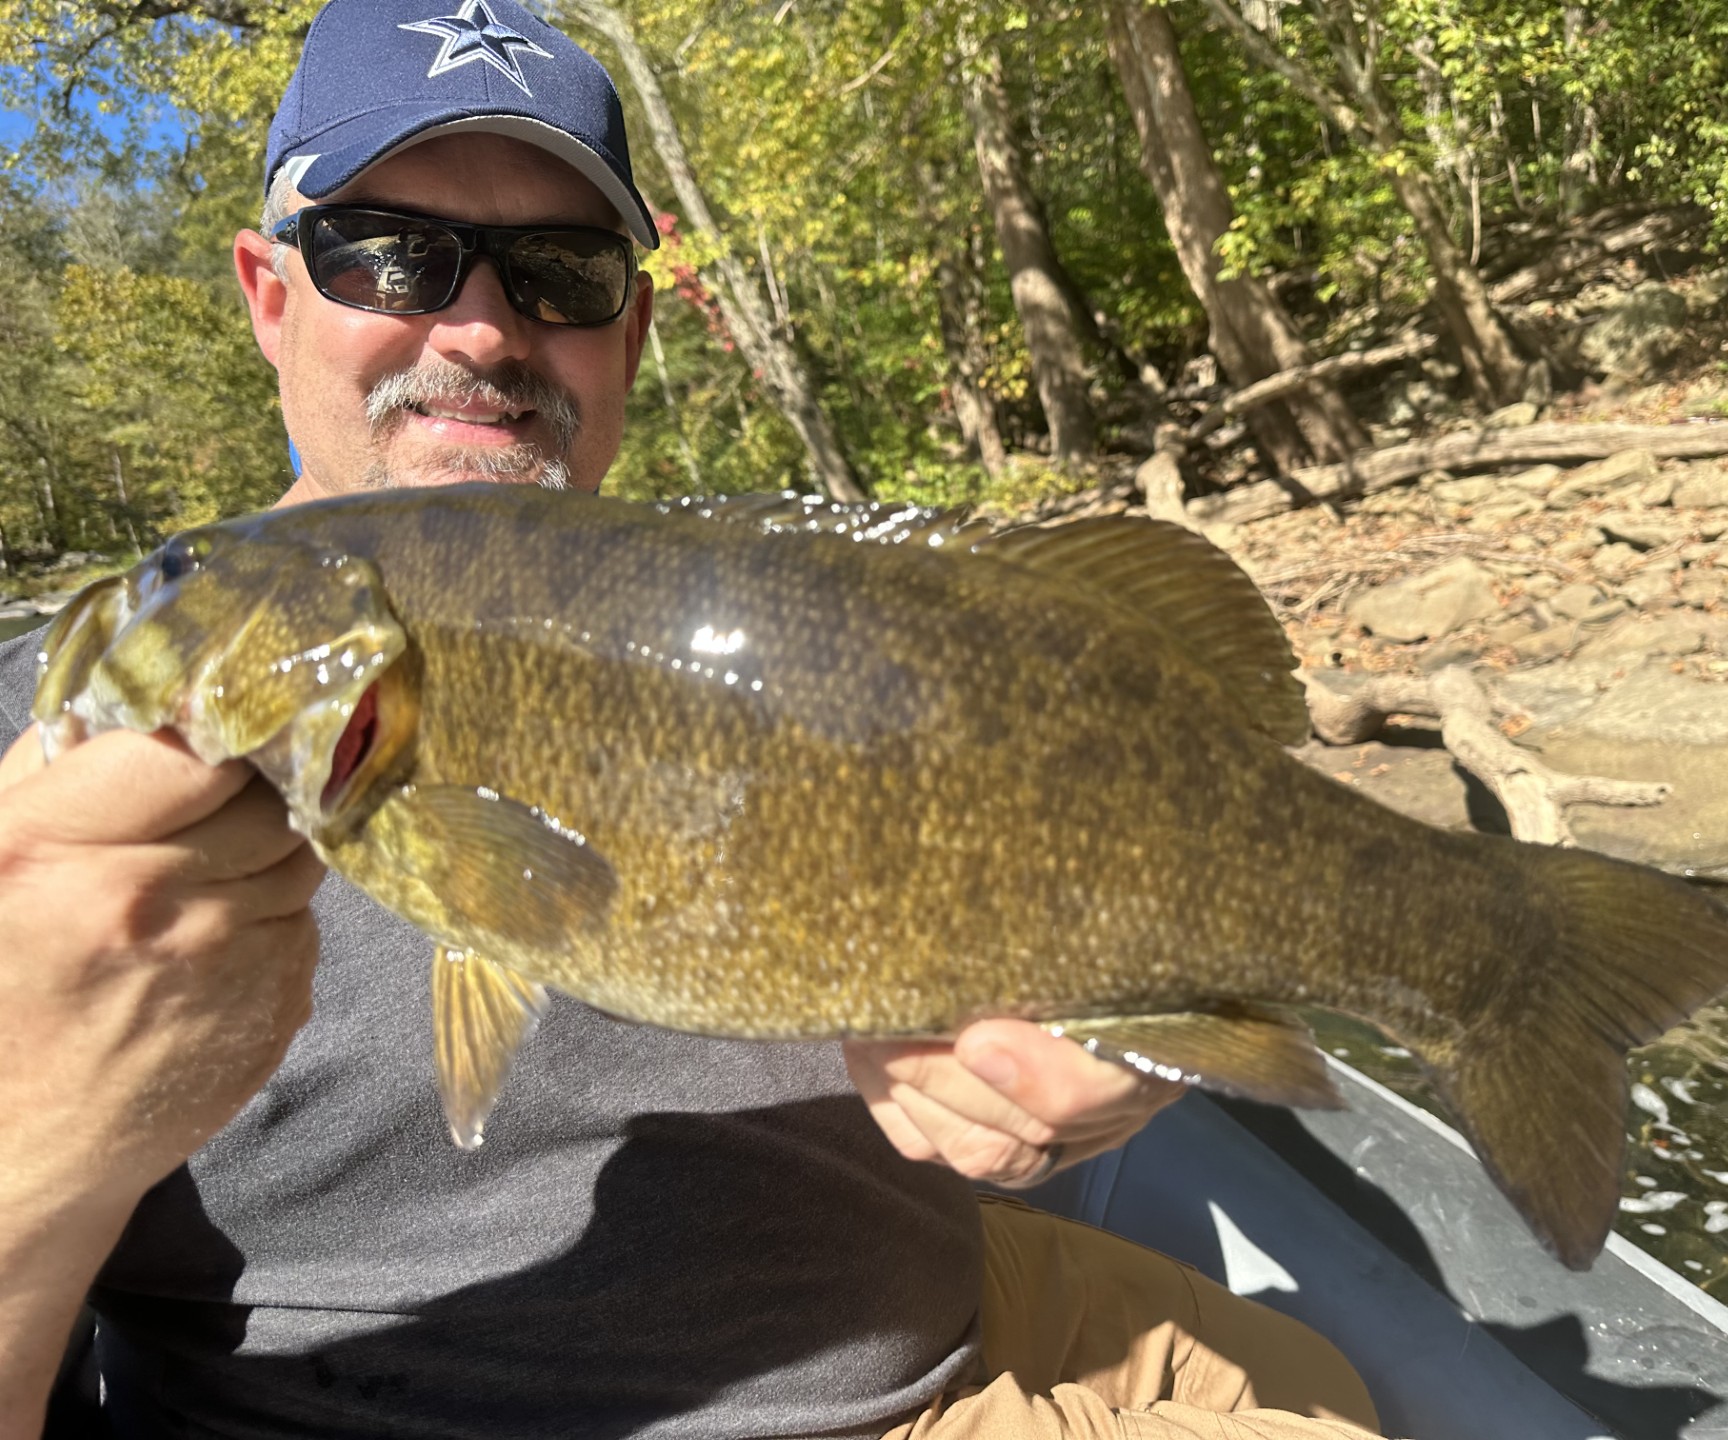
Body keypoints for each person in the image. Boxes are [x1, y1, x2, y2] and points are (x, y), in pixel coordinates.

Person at [0, 2, 1380, 1436]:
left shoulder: (791, 611)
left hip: (965, 1300)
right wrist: (25, 1127)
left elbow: (1150, 864)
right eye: (389, 252)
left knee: (1331, 1382)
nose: (481, 328)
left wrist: (1125, 1034)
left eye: (563, 270)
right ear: (270, 295)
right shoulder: (35, 758)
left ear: (632, 326)